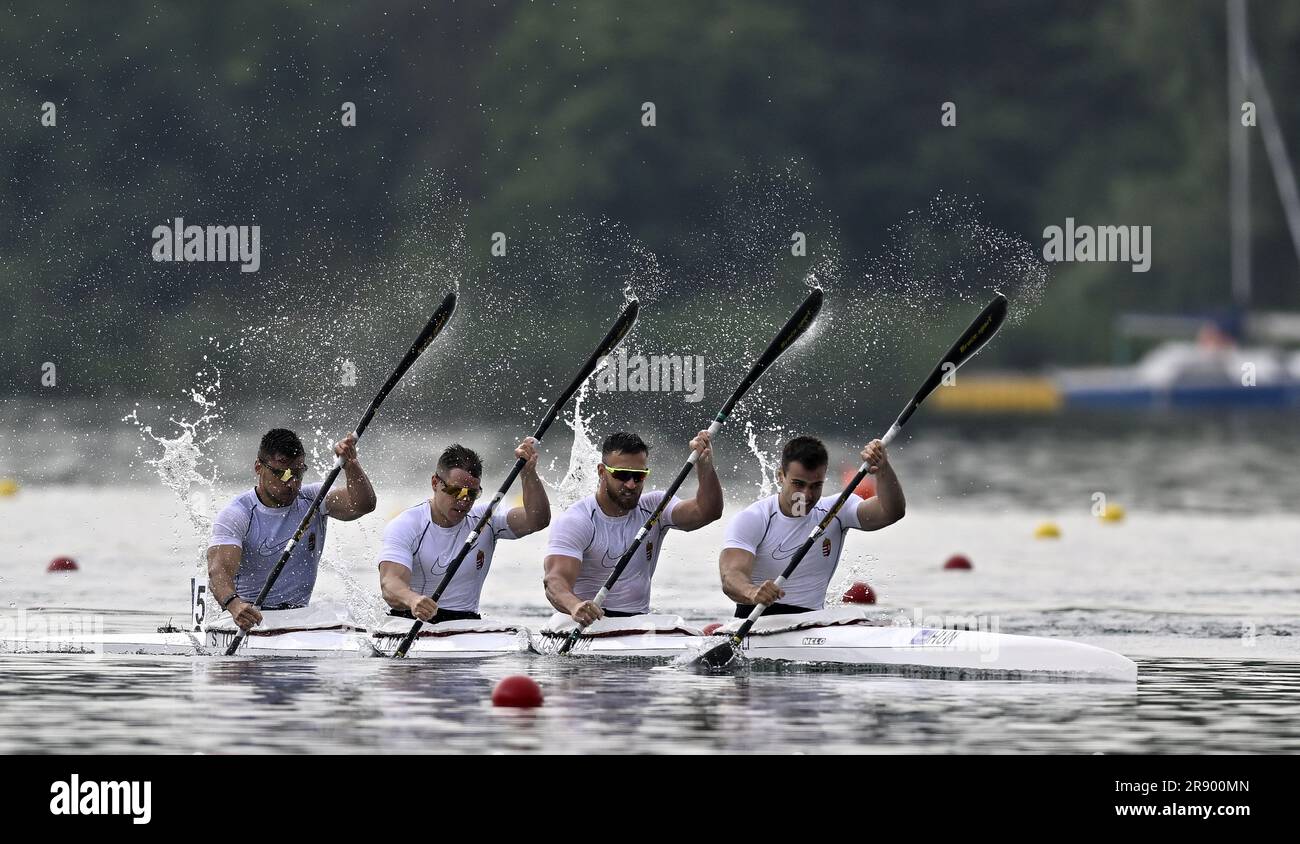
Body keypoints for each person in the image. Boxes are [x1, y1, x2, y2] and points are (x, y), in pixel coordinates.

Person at [543, 430, 723, 623]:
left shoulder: (655, 508)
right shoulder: (578, 520)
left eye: (638, 476)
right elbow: (554, 581)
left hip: (637, 622)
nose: (631, 484)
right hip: (584, 623)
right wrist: (575, 605)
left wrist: (704, 465)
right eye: (622, 475)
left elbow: (707, 511)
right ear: (602, 471)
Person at [208, 428, 377, 630]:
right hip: (250, 617)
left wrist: (351, 464)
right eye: (282, 473)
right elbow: (218, 572)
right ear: (258, 468)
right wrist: (235, 605)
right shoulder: (238, 514)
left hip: (299, 617)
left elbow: (363, 505)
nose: (292, 482)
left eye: (298, 473)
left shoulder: (313, 498)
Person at [719, 435, 904, 617]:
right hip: (756, 623)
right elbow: (731, 577)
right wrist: (752, 592)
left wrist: (883, 469)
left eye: (816, 485)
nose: (806, 495)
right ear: (780, 476)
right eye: (798, 484)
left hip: (812, 625)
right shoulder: (754, 518)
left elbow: (891, 512)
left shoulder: (837, 510)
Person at [379, 439, 549, 623]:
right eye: (456, 491)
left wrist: (528, 473)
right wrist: (413, 600)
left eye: (472, 494)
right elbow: (390, 584)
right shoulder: (407, 525)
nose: (463, 500)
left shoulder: (486, 519)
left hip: (466, 624)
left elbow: (537, 520)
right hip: (411, 621)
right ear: (435, 483)